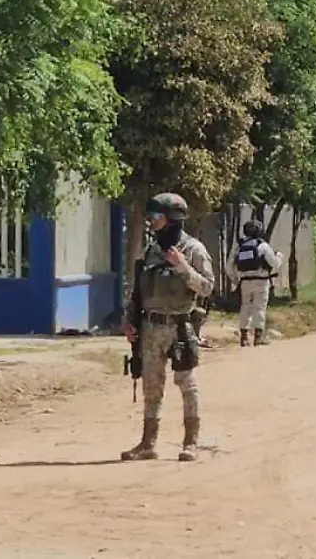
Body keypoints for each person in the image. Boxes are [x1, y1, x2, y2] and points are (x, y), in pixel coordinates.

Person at [120, 192, 215, 463]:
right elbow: (137, 291)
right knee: (152, 386)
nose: (151, 222)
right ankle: (148, 444)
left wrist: (183, 267)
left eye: (156, 217)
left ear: (172, 218)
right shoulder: (150, 251)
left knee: (186, 383)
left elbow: (207, 287)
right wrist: (130, 321)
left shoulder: (193, 250)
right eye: (150, 217)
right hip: (150, 327)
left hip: (180, 327)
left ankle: (191, 443)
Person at [225, 219, 282, 347]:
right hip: (261, 281)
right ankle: (258, 337)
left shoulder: (239, 247)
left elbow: (229, 267)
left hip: (245, 281)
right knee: (259, 307)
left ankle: (244, 338)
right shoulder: (262, 246)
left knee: (245, 307)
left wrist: (236, 280)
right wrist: (279, 257)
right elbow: (274, 264)